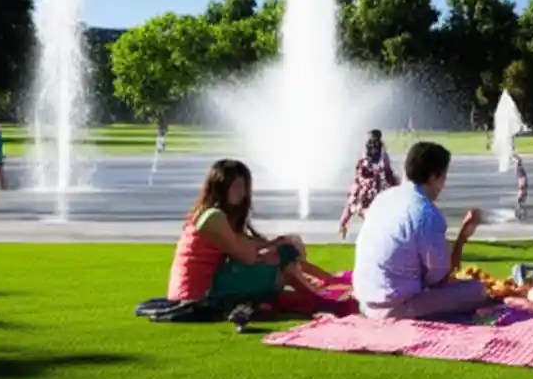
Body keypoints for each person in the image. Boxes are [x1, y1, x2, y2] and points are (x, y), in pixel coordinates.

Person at [167, 159, 340, 307]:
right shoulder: (213, 217)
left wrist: (279, 243)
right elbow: (246, 255)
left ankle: (322, 284)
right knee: (281, 262)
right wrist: (277, 247)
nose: (242, 193)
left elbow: (245, 246)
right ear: (221, 186)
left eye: (244, 186)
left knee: (283, 255)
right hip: (196, 294)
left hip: (206, 285)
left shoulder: (218, 215)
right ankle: (318, 296)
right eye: (236, 186)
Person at [353, 141, 490, 320]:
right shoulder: (426, 213)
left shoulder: (383, 199)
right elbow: (440, 278)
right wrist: (462, 237)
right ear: (434, 177)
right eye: (443, 178)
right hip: (395, 306)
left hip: (365, 300)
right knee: (476, 290)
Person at [339, 130, 399, 239]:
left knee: (359, 207)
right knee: (361, 208)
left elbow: (384, 171)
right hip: (371, 189)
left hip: (372, 189)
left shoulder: (376, 155)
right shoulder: (375, 155)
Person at [513, 153, 529, 220]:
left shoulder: (519, 169)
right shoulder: (520, 168)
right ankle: (521, 212)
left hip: (523, 187)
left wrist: (521, 188)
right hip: (524, 186)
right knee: (521, 200)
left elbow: (522, 179)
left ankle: (521, 213)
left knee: (520, 200)